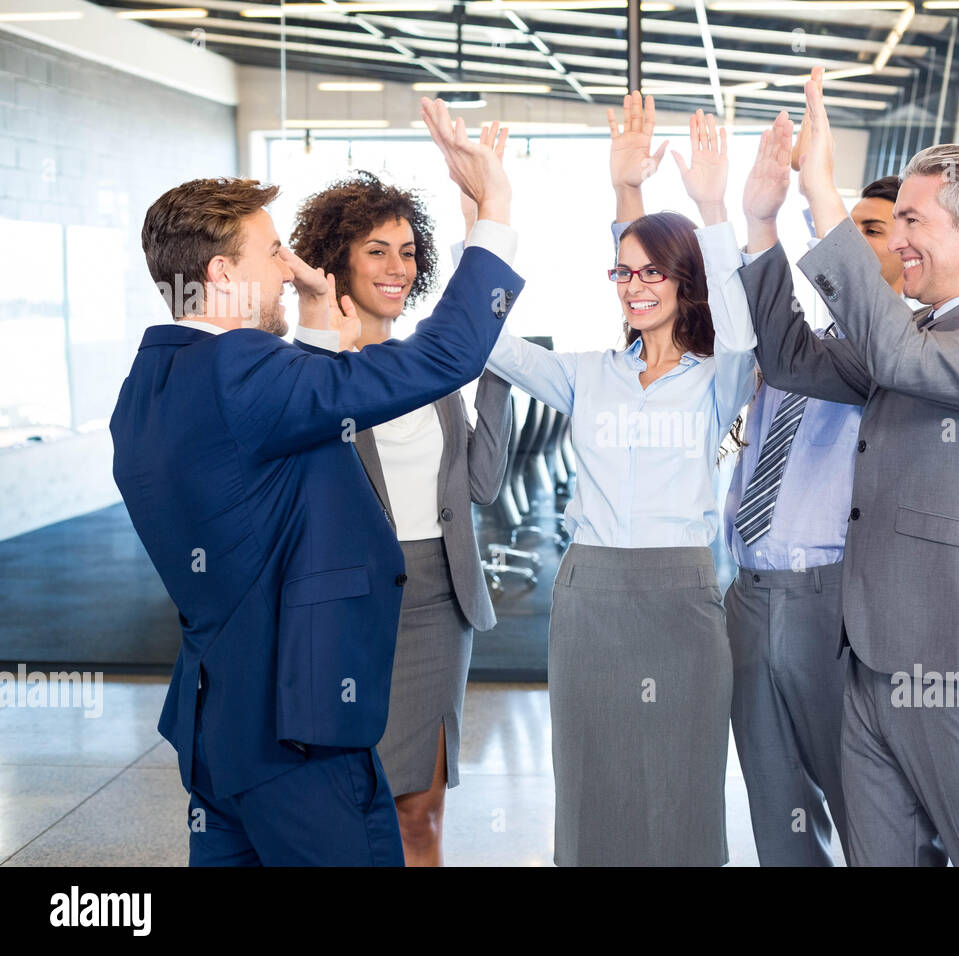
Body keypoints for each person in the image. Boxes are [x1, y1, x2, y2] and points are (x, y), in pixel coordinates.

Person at [109, 99, 523, 865]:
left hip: (219, 732)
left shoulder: (151, 380)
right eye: (272, 253)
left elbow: (299, 433)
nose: (290, 265)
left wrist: (308, 322)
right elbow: (442, 359)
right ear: (222, 272)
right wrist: (493, 210)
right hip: (299, 733)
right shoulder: (244, 373)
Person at [739, 70, 959, 866]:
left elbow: (896, 353)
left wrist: (824, 195)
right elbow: (788, 359)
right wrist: (760, 224)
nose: (894, 242)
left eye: (910, 222)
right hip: (872, 668)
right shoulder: (912, 333)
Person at [461, 93, 757, 866]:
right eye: (622, 272)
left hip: (684, 597)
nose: (633, 285)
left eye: (652, 272)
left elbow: (742, 319)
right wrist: (484, 215)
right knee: (591, 785)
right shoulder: (584, 376)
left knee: (686, 786)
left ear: (684, 279)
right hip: (590, 594)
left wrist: (713, 206)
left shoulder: (719, 377)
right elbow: (487, 341)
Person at [690, 125, 907, 863]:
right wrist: (736, 214)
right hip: (749, 592)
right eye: (824, 222)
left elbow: (783, 351)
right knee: (775, 800)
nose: (834, 234)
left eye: (865, 227)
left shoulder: (900, 348)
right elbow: (736, 319)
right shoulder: (795, 340)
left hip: (829, 599)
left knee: (862, 801)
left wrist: (770, 223)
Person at [287, 165, 513, 867]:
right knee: (354, 807)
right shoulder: (315, 372)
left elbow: (482, 483)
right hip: (353, 609)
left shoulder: (429, 366)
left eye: (408, 250)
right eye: (376, 250)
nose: (397, 265)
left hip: (439, 604)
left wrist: (497, 369)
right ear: (338, 265)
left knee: (421, 814)